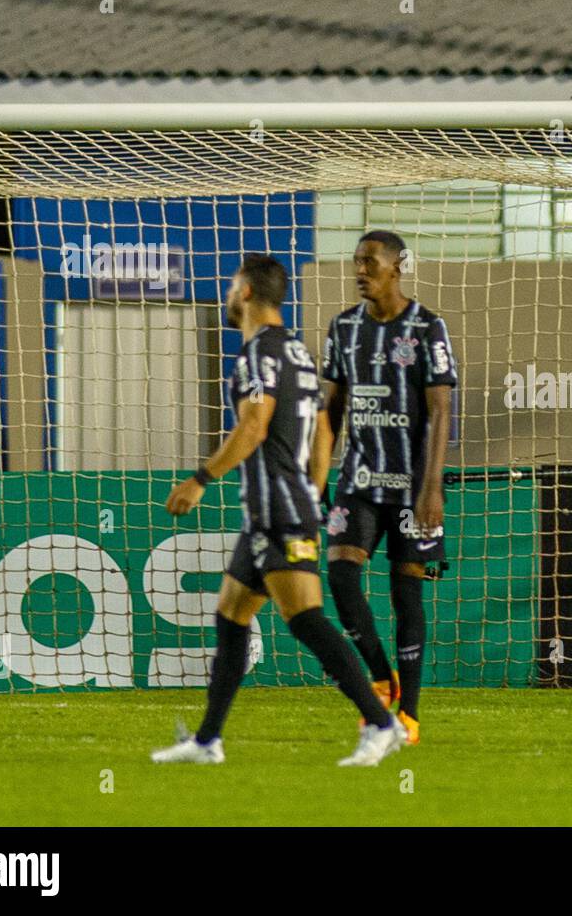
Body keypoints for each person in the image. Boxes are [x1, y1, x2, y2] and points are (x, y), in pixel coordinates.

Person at [151, 253, 405, 768]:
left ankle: (382, 724)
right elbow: (326, 432)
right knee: (231, 614)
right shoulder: (298, 353)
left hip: (278, 511)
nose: (227, 294)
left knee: (307, 619)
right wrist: (313, 491)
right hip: (284, 508)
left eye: (230, 285)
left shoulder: (256, 356)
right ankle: (207, 741)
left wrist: (201, 480)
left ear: (245, 291)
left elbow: (254, 426)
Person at [320, 231, 457, 745]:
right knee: (340, 574)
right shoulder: (343, 328)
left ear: (397, 267)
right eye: (357, 262)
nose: (361, 271)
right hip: (358, 479)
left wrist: (432, 488)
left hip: (410, 485)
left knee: (406, 593)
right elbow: (329, 412)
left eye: (370, 262)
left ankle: (411, 713)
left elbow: (441, 410)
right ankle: (379, 675)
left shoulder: (427, 327)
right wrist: (317, 478)